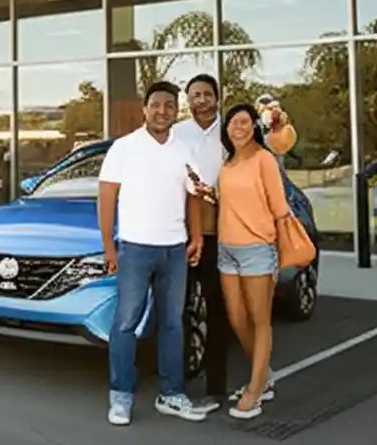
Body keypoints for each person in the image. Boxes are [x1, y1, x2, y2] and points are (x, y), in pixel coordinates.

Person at [97, 80, 208, 427]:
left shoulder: (184, 148)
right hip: (134, 248)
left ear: (177, 111)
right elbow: (106, 198)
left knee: (173, 324)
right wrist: (108, 246)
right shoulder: (124, 148)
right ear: (145, 109)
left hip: (174, 249)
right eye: (156, 105)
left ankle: (172, 394)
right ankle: (121, 397)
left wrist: (197, 236)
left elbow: (194, 194)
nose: (163, 111)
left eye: (169, 106)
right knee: (126, 323)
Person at [216, 103, 293, 420]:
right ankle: (265, 374)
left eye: (245, 121)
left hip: (258, 250)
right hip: (226, 250)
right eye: (233, 122)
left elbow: (279, 206)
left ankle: (256, 388)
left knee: (260, 321)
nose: (238, 127)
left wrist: (279, 246)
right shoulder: (227, 164)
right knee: (237, 320)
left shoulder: (265, 160)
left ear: (254, 127)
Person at [173, 74, 230, 415]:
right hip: (179, 231)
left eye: (208, 94)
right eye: (195, 95)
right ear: (188, 100)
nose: (202, 100)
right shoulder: (178, 132)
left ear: (217, 98)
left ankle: (216, 386)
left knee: (217, 309)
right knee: (179, 310)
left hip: (220, 232)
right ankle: (176, 383)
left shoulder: (231, 130)